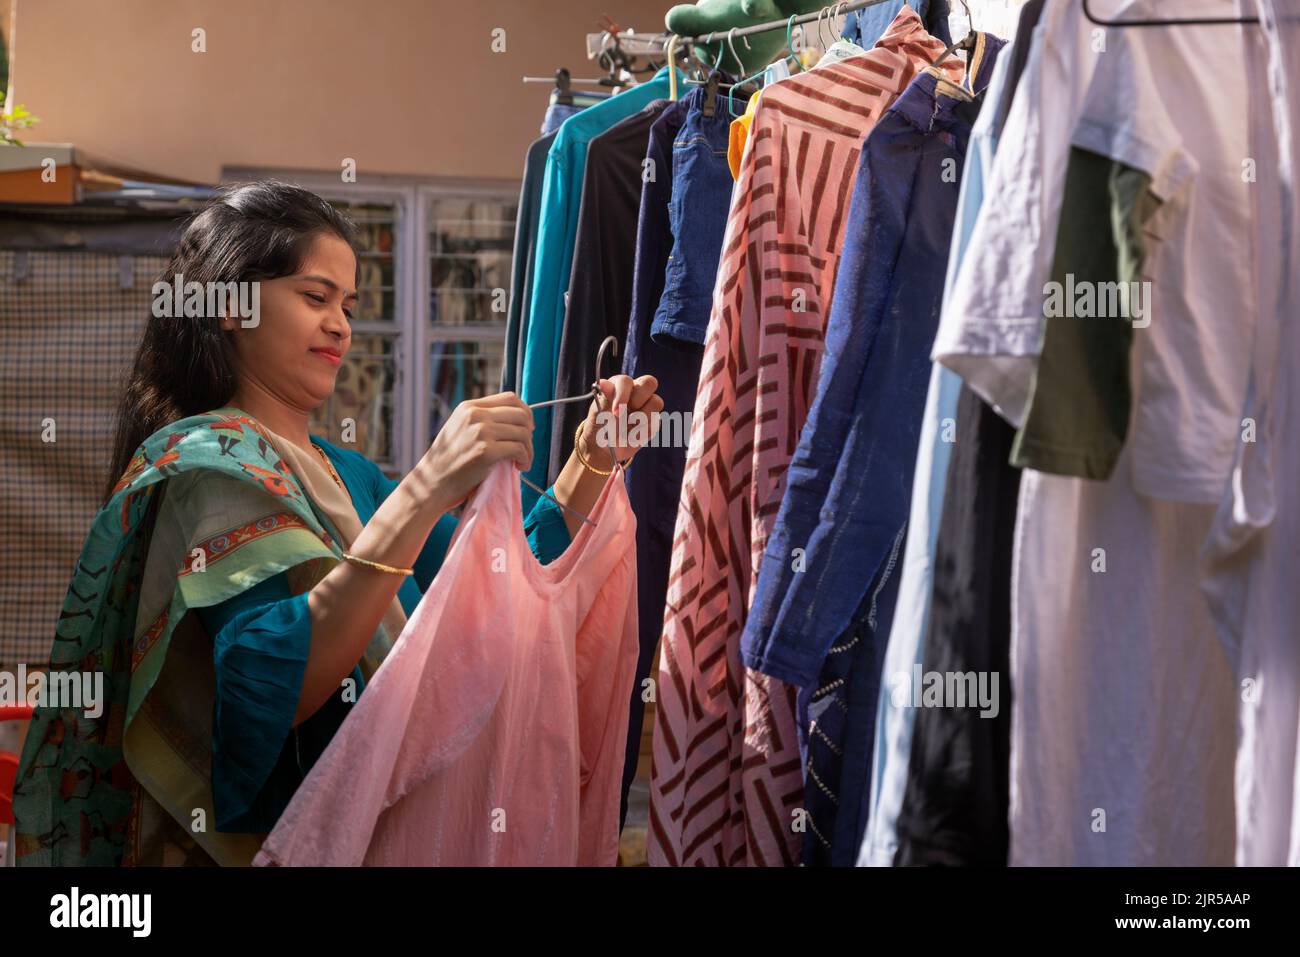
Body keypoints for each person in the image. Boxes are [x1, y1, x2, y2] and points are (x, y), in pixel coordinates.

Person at [12, 180, 663, 866]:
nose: (341, 325)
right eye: (316, 297)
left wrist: (595, 456)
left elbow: (508, 583)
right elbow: (267, 683)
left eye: (348, 305)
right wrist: (425, 488)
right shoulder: (203, 467)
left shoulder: (345, 473)